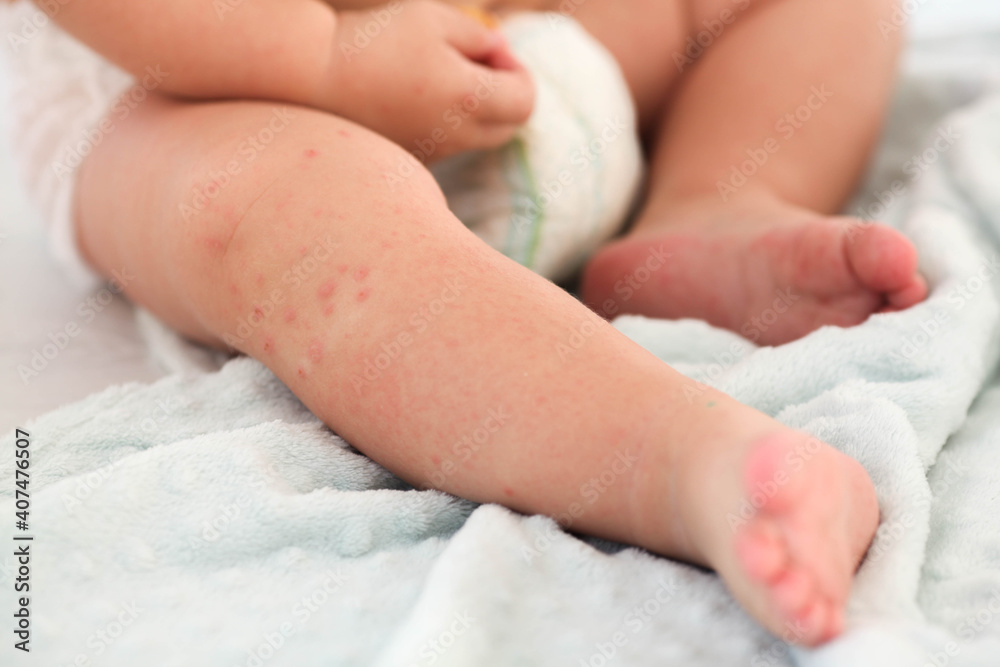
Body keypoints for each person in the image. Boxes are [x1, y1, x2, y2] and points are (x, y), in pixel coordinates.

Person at [1, 0, 926, 646]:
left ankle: (711, 203)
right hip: (190, 76)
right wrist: (327, 54)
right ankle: (676, 458)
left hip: (516, 50)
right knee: (284, 215)